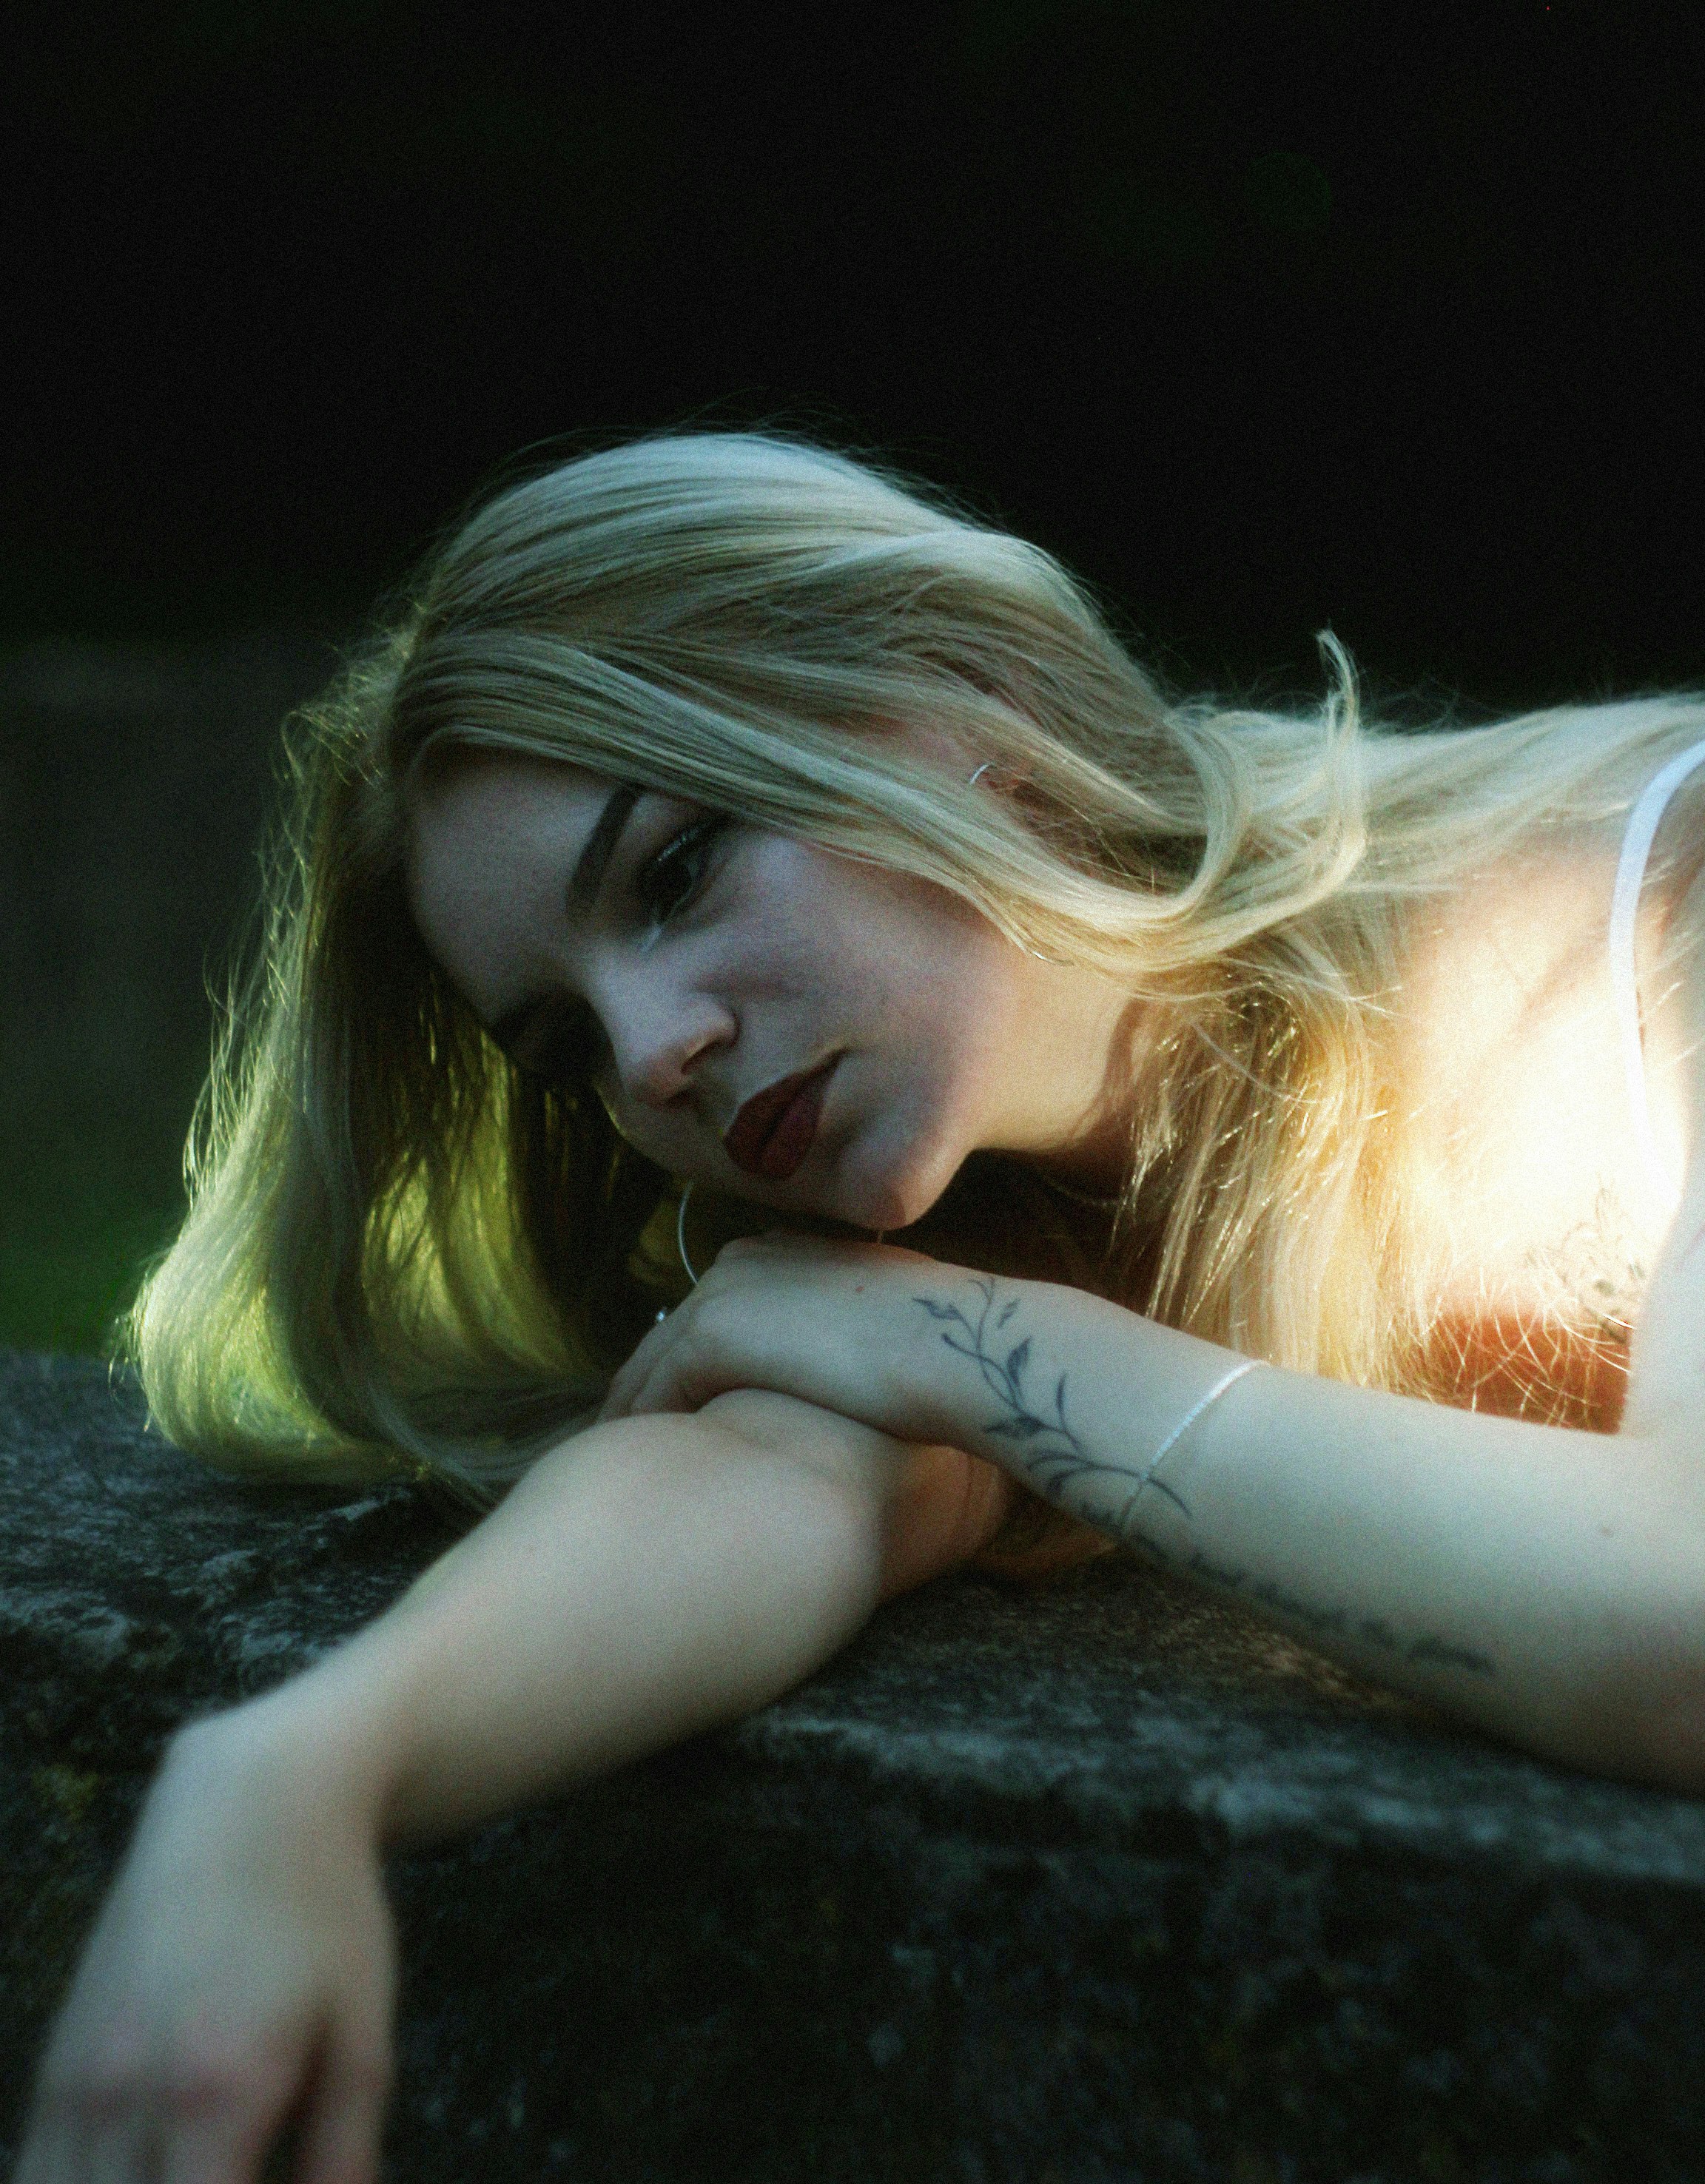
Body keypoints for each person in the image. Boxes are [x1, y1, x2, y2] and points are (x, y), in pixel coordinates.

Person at [18, 426, 1705, 2180]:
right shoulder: (950, 1201)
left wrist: (977, 1360)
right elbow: (750, 1477)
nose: (654, 1055)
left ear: (956, 693)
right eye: (567, 1042)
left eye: (675, 872)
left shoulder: (1650, 907)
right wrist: (291, 1780)